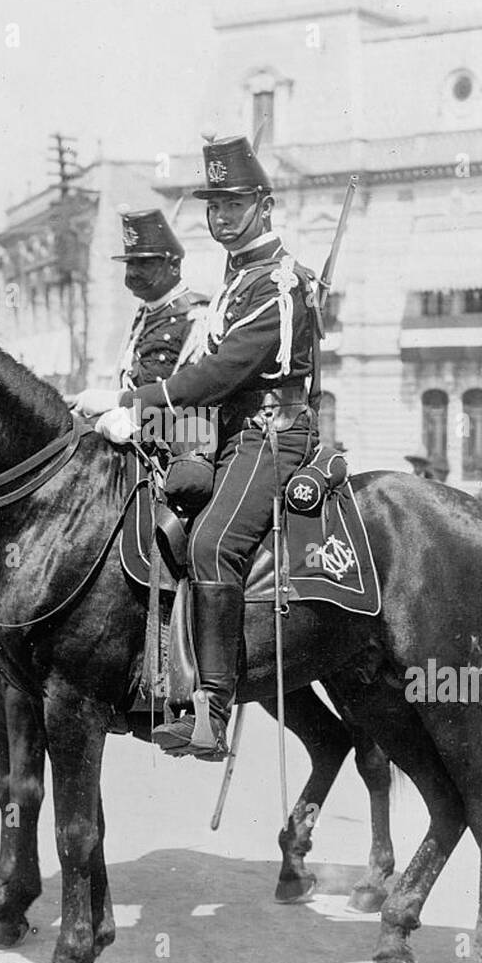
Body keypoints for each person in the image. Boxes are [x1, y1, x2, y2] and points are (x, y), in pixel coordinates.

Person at [72, 133, 319, 760]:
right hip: (228, 432)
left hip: (271, 433)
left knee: (213, 543)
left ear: (264, 205)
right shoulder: (238, 280)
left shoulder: (281, 283)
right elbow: (207, 381)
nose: (223, 216)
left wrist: (134, 406)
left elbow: (219, 373)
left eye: (235, 203)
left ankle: (209, 709)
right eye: (215, 205)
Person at [111, 208, 208, 390]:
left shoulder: (196, 316)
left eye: (145, 263)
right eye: (130, 263)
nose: (133, 272)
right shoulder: (142, 317)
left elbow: (189, 393)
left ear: (173, 266)